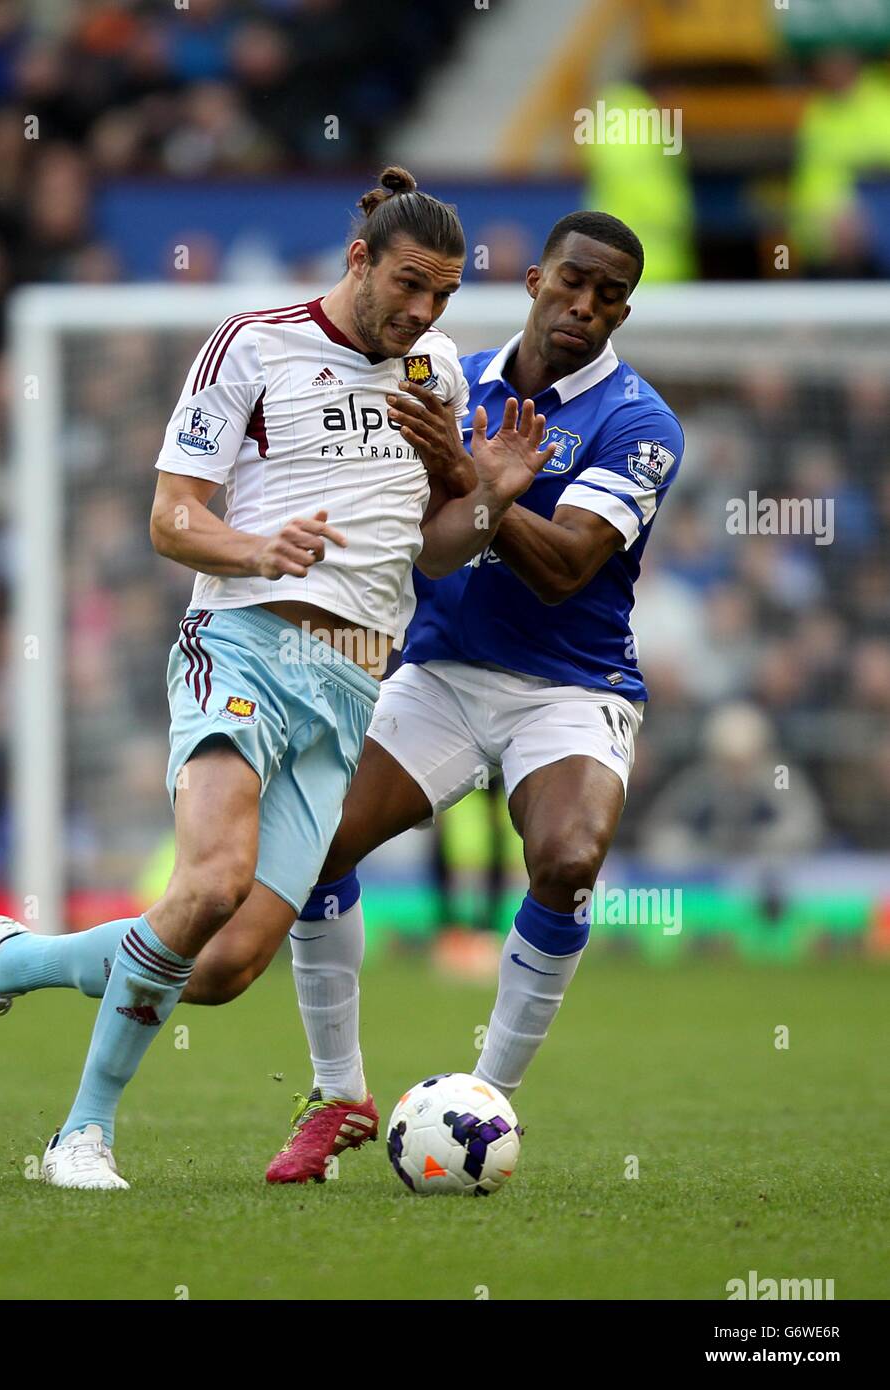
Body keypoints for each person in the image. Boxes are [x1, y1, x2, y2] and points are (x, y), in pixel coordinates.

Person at [0, 166, 555, 1189]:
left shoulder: (436, 373)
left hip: (349, 686)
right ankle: (80, 1134)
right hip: (245, 644)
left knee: (218, 965)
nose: (425, 311)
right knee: (206, 882)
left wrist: (485, 487)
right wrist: (255, 549)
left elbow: (434, 552)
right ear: (359, 261)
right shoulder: (253, 343)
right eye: (408, 285)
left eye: (442, 293)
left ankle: (9, 960)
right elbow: (170, 517)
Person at [187, 210, 686, 1182]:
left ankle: (484, 1101)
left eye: (609, 294)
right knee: (319, 840)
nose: (585, 305)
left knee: (568, 858)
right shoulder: (447, 380)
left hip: (570, 686)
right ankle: (337, 1096)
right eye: (572, 282)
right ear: (537, 278)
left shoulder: (636, 421)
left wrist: (473, 481)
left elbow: (567, 567)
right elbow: (409, 525)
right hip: (442, 670)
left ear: (623, 307)